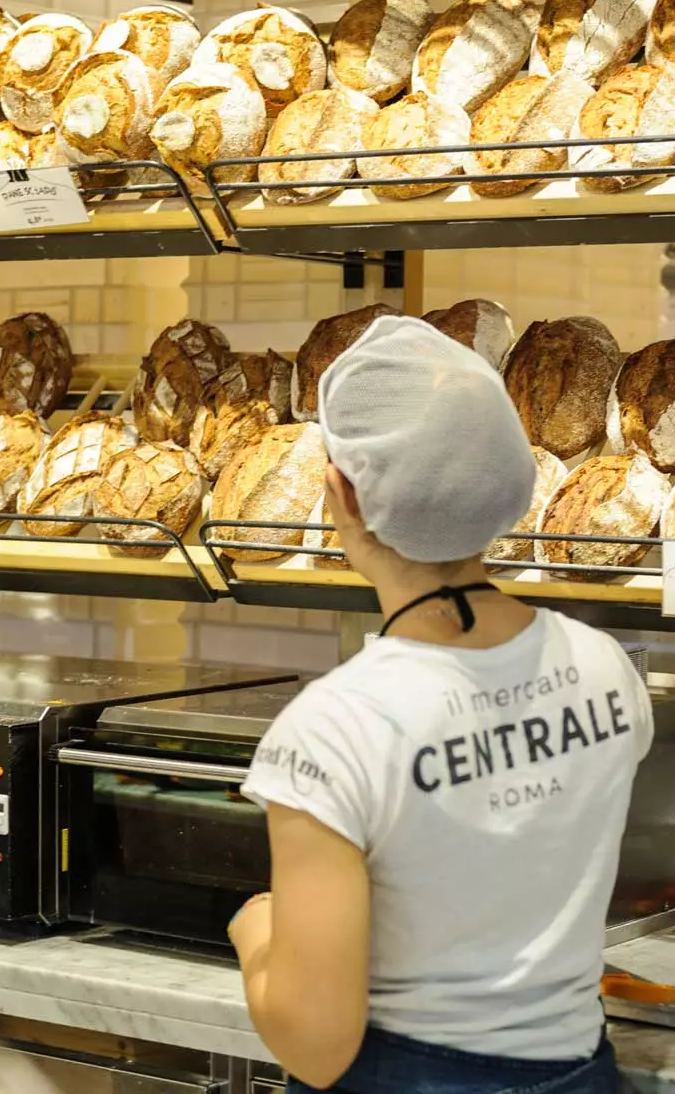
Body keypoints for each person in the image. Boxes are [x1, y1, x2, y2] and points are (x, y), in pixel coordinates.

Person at [230, 316, 653, 1094]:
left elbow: (316, 1045)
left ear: (341, 496)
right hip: (577, 1075)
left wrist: (255, 932)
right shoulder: (604, 669)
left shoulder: (334, 730)